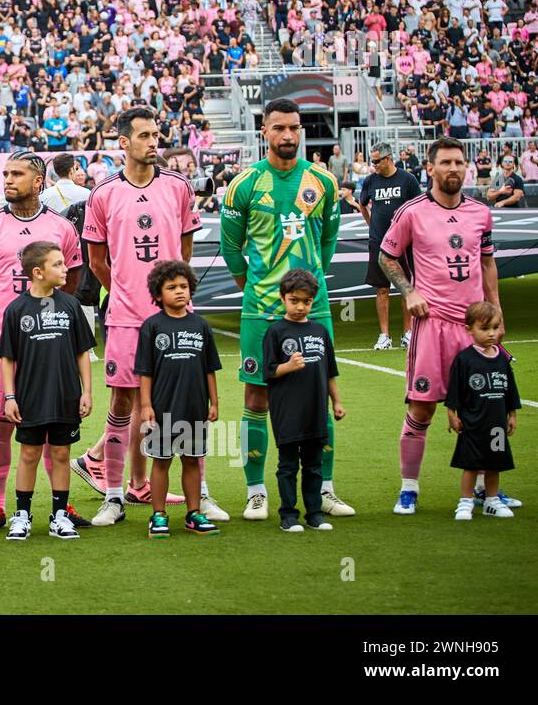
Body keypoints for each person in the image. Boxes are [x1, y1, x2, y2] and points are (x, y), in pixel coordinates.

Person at [73, 108, 223, 523]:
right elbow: (97, 261)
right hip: (125, 317)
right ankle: (114, 498)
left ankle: (201, 494)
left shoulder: (178, 187)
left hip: (176, 316)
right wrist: (127, 289)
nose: (153, 141)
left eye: (156, 134)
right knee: (123, 401)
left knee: (188, 400)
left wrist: (169, 295)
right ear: (123, 142)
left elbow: (185, 254)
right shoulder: (103, 194)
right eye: (144, 135)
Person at [220, 98, 351, 521]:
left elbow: (328, 242)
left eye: (294, 127)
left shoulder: (323, 181)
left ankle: (324, 489)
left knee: (317, 395)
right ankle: (256, 492)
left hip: (315, 309)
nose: (288, 135)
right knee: (256, 396)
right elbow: (230, 248)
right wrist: (256, 289)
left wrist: (308, 287)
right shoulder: (244, 184)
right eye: (279, 128)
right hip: (260, 310)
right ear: (264, 132)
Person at [379, 137, 514, 516]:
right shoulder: (411, 212)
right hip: (432, 325)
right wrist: (408, 291)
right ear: (430, 168)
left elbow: (487, 263)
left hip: (474, 329)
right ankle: (409, 489)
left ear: (466, 167)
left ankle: (487, 490)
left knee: (488, 408)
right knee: (421, 410)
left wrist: (496, 311)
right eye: (445, 162)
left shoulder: (480, 213)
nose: (453, 168)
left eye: (458, 162)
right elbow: (387, 256)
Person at [0, 151, 87, 533]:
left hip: (50, 344)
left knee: (51, 424)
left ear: (38, 181)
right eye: (5, 173)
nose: (8, 179)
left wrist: (48, 312)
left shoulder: (62, 227)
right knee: (0, 425)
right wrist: (11, 315)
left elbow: (73, 277)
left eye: (17, 174)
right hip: (3, 344)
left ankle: (60, 508)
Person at [0, 242, 96, 542]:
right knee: (29, 454)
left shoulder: (71, 305)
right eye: (58, 264)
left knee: (62, 454)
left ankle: (60, 515)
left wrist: (87, 392)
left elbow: (82, 352)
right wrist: (10, 396)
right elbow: (7, 358)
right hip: (30, 397)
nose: (65, 269)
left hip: (66, 396)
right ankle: (22, 515)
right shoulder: (16, 309)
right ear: (38, 272)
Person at [135, 260, 221, 539]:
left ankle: (194, 513)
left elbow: (210, 369)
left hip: (194, 408)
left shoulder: (201, 326)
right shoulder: (152, 326)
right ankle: (158, 515)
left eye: (183, 286)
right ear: (158, 294)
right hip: (162, 409)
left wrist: (214, 402)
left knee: (192, 460)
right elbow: (145, 371)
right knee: (161, 461)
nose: (179, 291)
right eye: (171, 287)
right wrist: (146, 405)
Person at [263, 270, 346, 532]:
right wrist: (288, 366)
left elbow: (330, 371)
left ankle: (314, 514)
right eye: (294, 300)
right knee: (288, 466)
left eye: (306, 301)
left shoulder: (320, 331)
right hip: (287, 411)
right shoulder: (275, 331)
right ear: (283, 298)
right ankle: (288, 515)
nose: (300, 307)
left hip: (316, 410)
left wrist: (337, 402)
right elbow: (268, 371)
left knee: (313, 465)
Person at [447, 302, 519, 521]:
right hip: (472, 423)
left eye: (495, 328)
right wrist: (451, 414)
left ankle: (492, 500)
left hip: (497, 424)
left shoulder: (502, 359)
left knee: (494, 464)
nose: (491, 333)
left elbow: (510, 388)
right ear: (469, 329)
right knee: (471, 465)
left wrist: (512, 414)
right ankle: (465, 502)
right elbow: (454, 390)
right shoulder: (464, 359)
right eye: (485, 328)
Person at [359, 141, 421, 351]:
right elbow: (362, 204)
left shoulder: (408, 180)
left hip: (404, 242)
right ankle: (384, 335)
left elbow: (418, 209)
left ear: (388, 159)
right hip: (379, 242)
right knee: (382, 288)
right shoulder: (370, 181)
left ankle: (408, 332)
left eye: (377, 161)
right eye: (372, 161)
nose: (374, 165)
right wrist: (372, 226)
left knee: (406, 287)